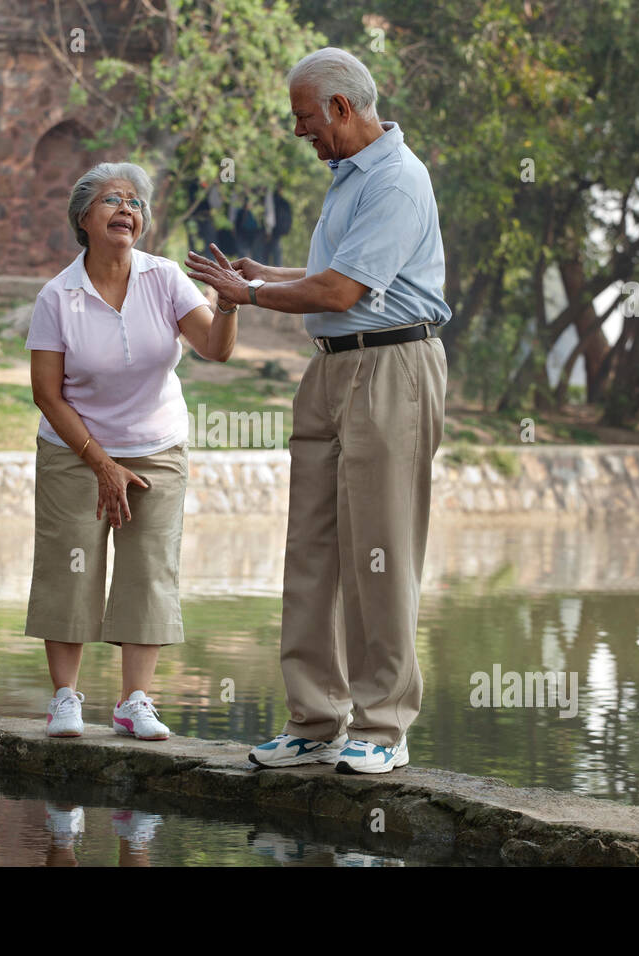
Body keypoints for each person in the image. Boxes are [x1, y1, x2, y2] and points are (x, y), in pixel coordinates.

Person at [186, 48, 450, 774]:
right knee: (312, 549)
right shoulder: (348, 180)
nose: (301, 132)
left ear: (340, 107)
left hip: (393, 367)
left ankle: (383, 728)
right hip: (333, 370)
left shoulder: (397, 179)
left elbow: (343, 294)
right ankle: (314, 719)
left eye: (305, 117)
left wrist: (252, 299)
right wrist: (265, 275)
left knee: (380, 549)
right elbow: (333, 276)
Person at [26, 162, 238, 740]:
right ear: (83, 219)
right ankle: (65, 699)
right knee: (70, 564)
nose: (127, 209)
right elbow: (46, 393)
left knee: (149, 569)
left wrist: (228, 303)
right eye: (112, 200)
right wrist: (100, 463)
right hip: (76, 448)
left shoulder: (165, 278)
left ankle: (134, 701)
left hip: (156, 445)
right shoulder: (57, 296)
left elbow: (215, 349)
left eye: (135, 202)